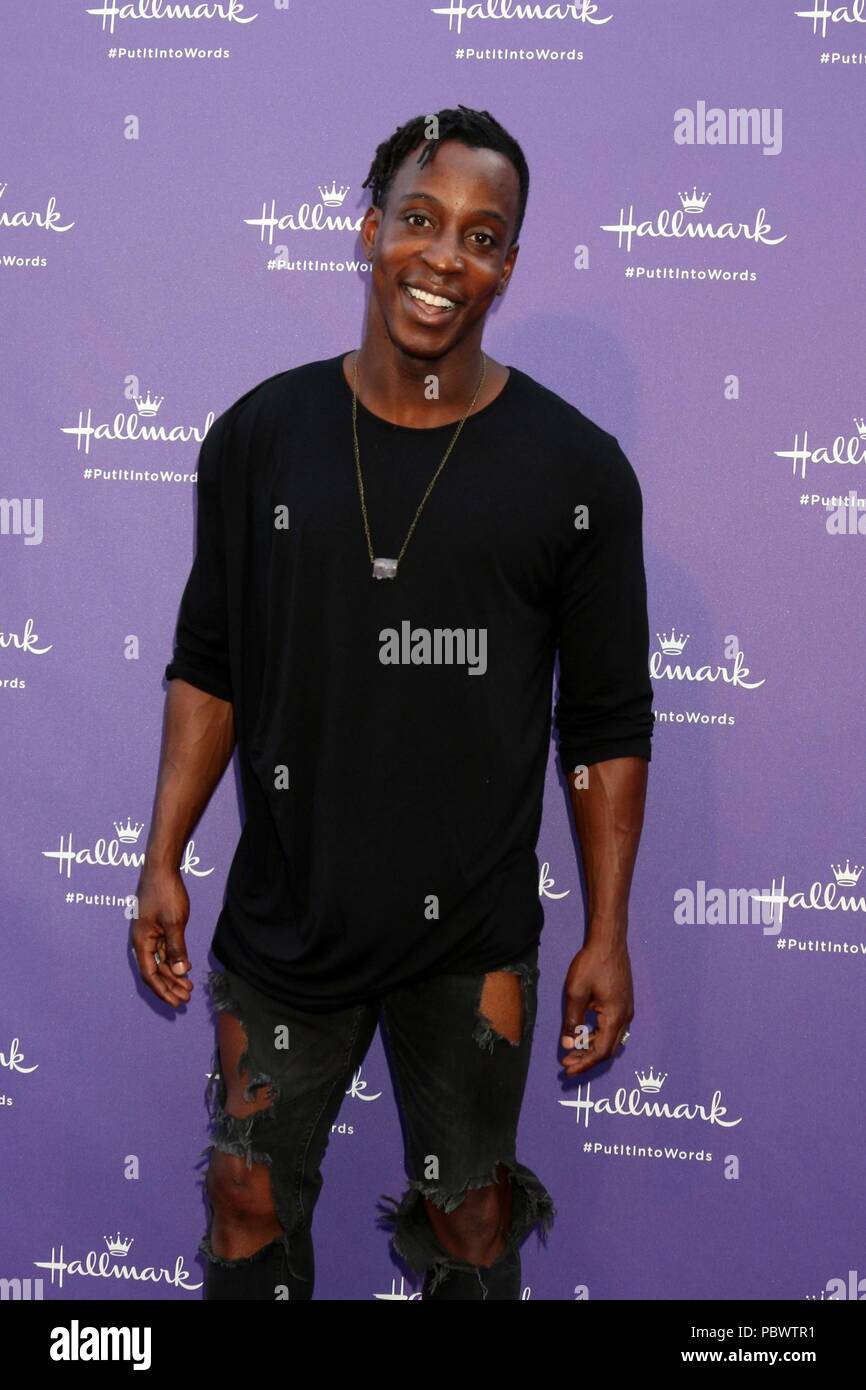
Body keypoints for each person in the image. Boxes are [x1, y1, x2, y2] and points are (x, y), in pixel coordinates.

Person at [132, 105, 654, 1301]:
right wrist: (162, 851)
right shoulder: (259, 438)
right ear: (370, 231)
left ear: (507, 266)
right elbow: (209, 660)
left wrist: (607, 932)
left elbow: (607, 723)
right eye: (419, 220)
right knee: (244, 1194)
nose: (442, 258)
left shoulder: (575, 472)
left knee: (470, 1220)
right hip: (286, 921)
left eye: (481, 235)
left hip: (469, 936)